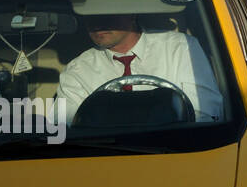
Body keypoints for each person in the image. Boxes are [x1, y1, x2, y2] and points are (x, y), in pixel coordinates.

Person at [57, 13, 223, 124]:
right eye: (90, 16)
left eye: (107, 13)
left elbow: (204, 115)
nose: (97, 24)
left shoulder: (180, 48)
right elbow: (68, 128)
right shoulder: (77, 70)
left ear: (131, 14)